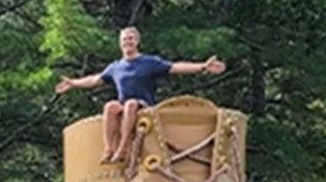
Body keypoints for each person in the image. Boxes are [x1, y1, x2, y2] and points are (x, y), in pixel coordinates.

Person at [54, 27, 227, 163]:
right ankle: (109, 149)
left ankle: (123, 148)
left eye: (130, 39)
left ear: (136, 41)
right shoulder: (116, 66)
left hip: (144, 105)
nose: (127, 42)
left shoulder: (148, 62)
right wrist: (73, 83)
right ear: (120, 44)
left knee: (130, 104)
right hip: (125, 105)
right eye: (124, 40)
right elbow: (94, 80)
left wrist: (202, 66)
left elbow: (174, 67)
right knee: (110, 106)